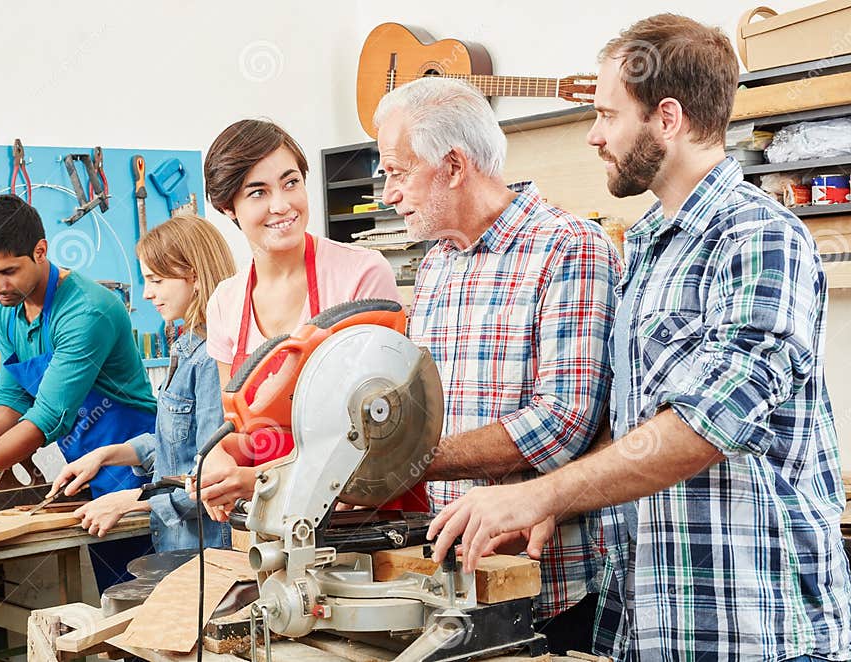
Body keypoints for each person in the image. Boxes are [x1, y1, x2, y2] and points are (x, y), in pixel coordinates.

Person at [427, 14, 851, 661]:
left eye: (607, 115)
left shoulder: (762, 238)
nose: (595, 136)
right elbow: (636, 415)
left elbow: (706, 424)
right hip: (650, 621)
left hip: (756, 626)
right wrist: (562, 499)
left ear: (668, 119)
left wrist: (541, 490)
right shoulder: (649, 246)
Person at [373, 77, 620, 653]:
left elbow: (564, 420)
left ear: (454, 165)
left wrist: (410, 463)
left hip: (547, 585)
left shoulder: (569, 247)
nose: (388, 193)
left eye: (398, 172)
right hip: (452, 584)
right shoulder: (436, 265)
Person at [0, 194, 156, 591]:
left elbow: (46, 419)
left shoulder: (87, 312)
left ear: (41, 251)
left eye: (8, 271)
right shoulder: (11, 307)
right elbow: (15, 391)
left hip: (138, 468)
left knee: (155, 594)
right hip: (86, 470)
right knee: (117, 596)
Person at [195, 119, 428, 516]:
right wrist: (216, 460)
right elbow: (238, 428)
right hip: (273, 522)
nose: (281, 205)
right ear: (227, 208)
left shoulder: (361, 274)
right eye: (258, 192)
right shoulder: (226, 302)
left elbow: (380, 433)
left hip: (363, 519)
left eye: (290, 183)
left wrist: (258, 481)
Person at [47, 215, 236, 552]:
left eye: (156, 280)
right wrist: (104, 455)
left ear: (193, 276)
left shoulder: (210, 358)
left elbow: (211, 481)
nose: (147, 293)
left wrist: (132, 499)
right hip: (177, 544)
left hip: (208, 553)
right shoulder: (185, 348)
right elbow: (175, 445)